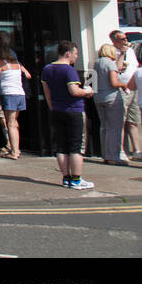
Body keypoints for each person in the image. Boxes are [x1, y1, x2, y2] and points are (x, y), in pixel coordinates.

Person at [41, 41, 95, 190]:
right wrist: (87, 92)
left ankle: (66, 178)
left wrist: (52, 107)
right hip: (74, 111)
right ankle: (76, 180)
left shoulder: (47, 69)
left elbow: (47, 92)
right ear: (68, 53)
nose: (76, 57)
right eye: (76, 54)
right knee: (76, 147)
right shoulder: (69, 70)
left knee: (61, 147)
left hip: (57, 111)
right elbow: (74, 91)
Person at [0, 47, 32, 159]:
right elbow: (28, 75)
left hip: (9, 93)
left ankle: (14, 152)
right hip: (20, 93)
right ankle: (16, 149)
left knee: (10, 123)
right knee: (15, 122)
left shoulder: (1, 63)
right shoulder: (18, 63)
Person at [93, 43, 129, 166]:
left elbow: (90, 82)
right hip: (112, 97)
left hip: (98, 97)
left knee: (104, 127)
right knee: (115, 128)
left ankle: (105, 155)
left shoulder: (95, 63)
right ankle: (113, 156)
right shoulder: (110, 63)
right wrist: (124, 85)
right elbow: (114, 83)